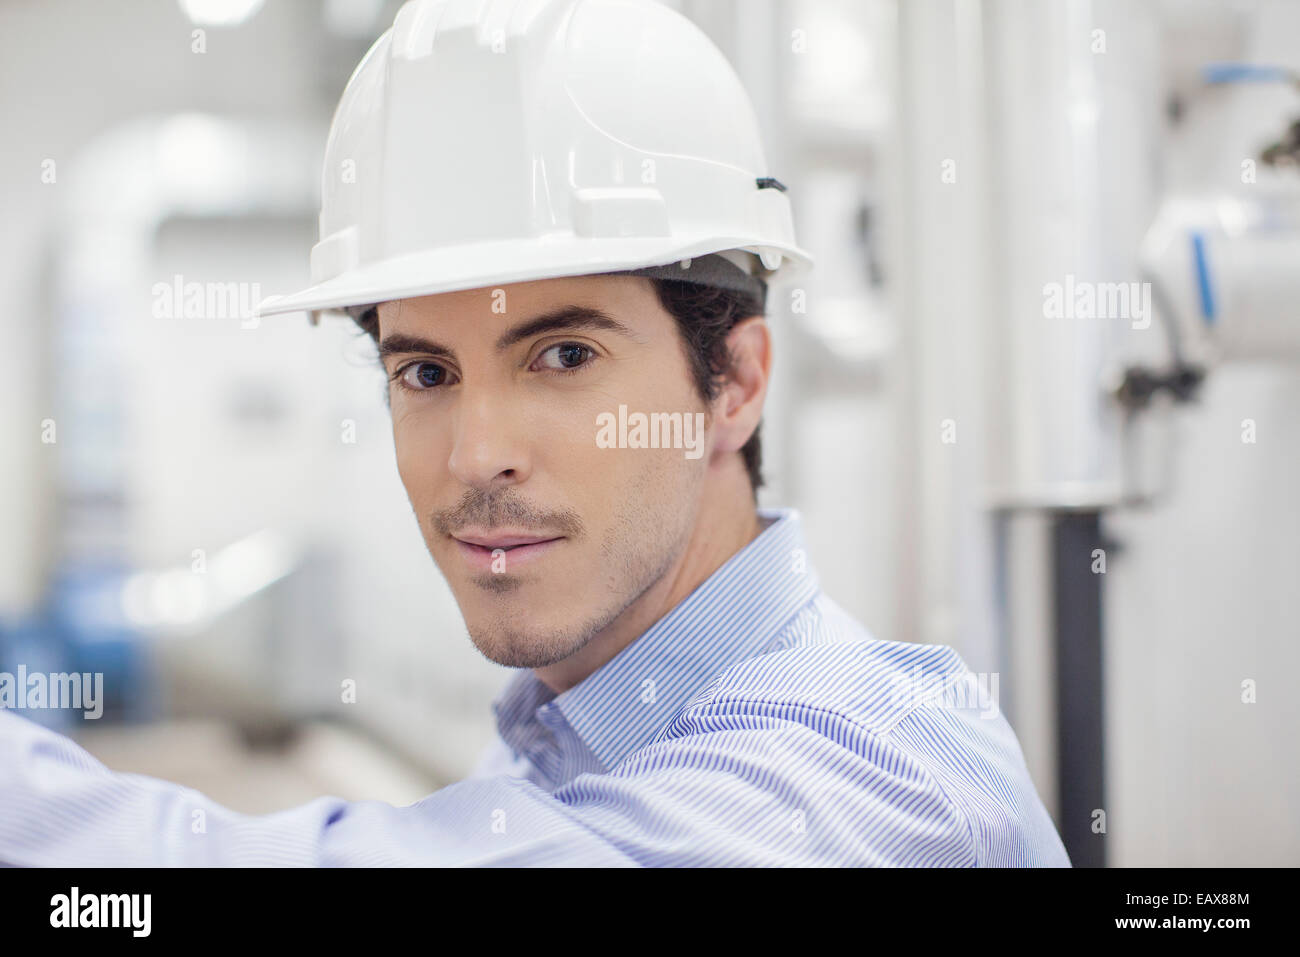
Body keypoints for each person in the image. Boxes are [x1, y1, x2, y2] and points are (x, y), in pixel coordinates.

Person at [0, 0, 1070, 866]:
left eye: (563, 357)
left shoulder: (867, 783)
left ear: (734, 383)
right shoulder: (555, 744)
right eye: (424, 370)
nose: (473, 455)